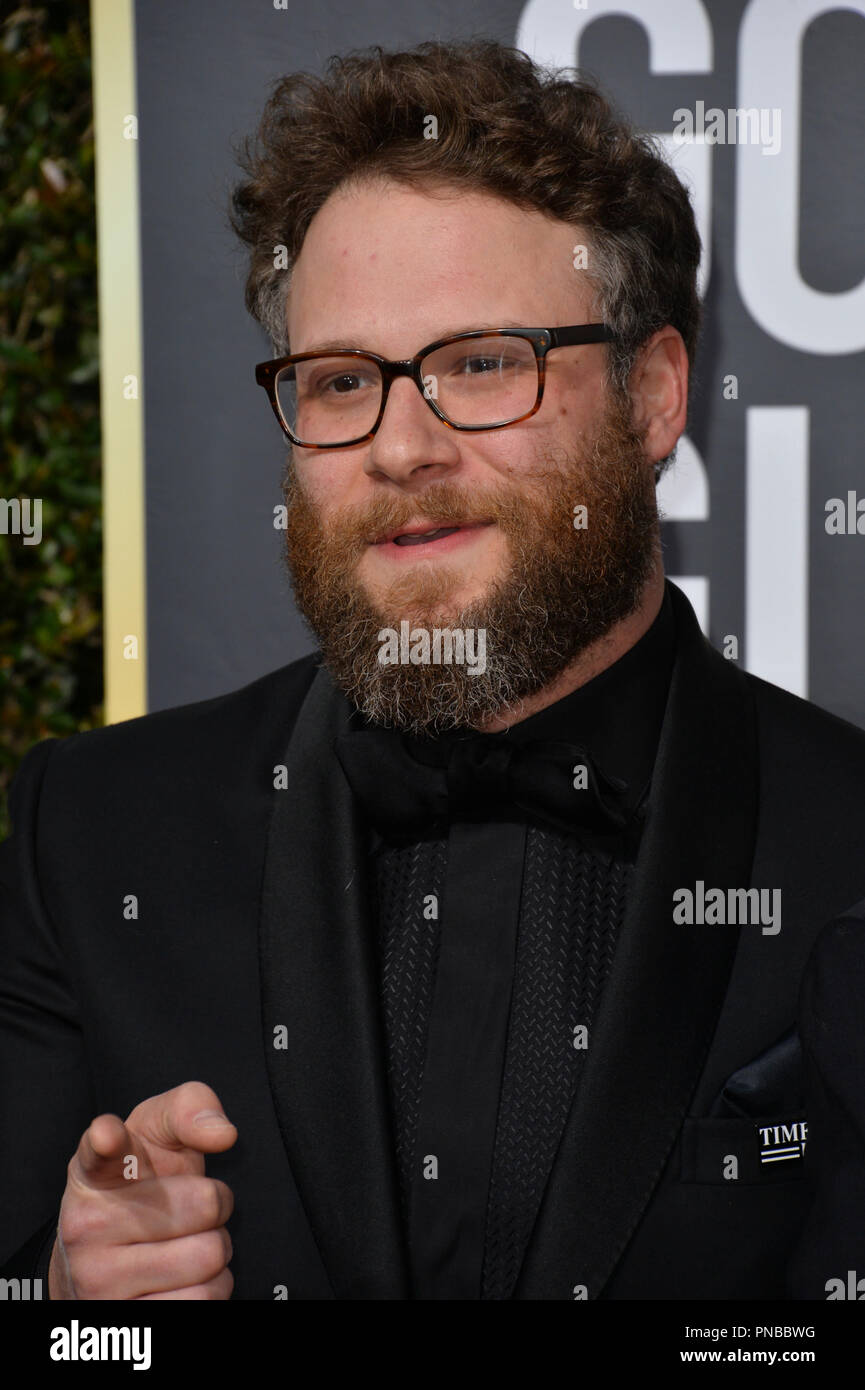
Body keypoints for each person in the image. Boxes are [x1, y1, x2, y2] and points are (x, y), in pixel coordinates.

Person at [2, 37, 864, 1302]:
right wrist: (78, 1311)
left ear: (653, 398)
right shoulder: (92, 836)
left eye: (480, 364)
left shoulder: (849, 836)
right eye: (342, 381)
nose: (403, 445)